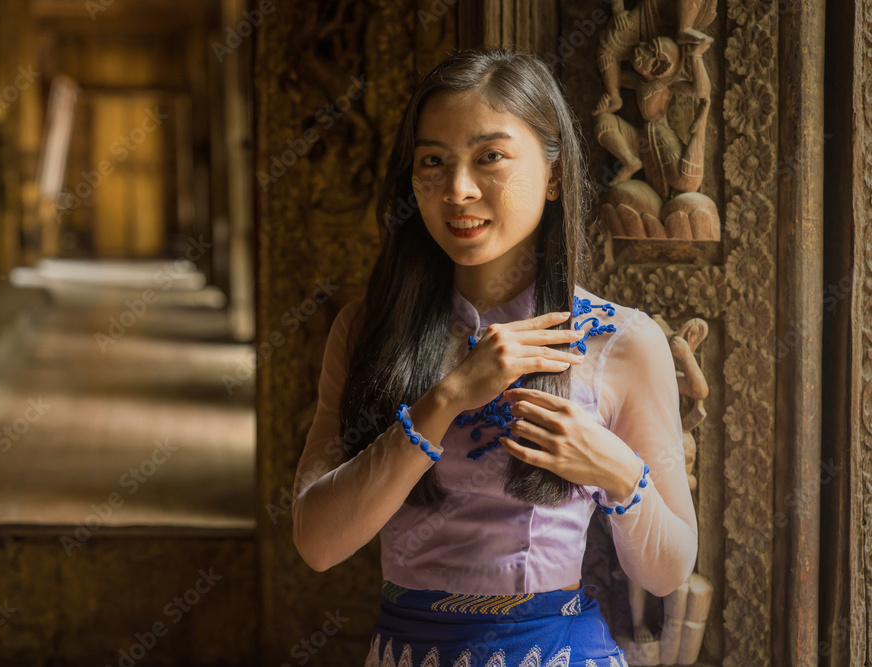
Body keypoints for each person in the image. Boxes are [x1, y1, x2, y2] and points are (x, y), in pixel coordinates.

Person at [292, 47, 698, 667]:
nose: (458, 190)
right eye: (434, 162)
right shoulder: (366, 331)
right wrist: (448, 397)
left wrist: (615, 471)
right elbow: (317, 542)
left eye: (490, 158)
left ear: (556, 174)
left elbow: (669, 572)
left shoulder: (621, 341)